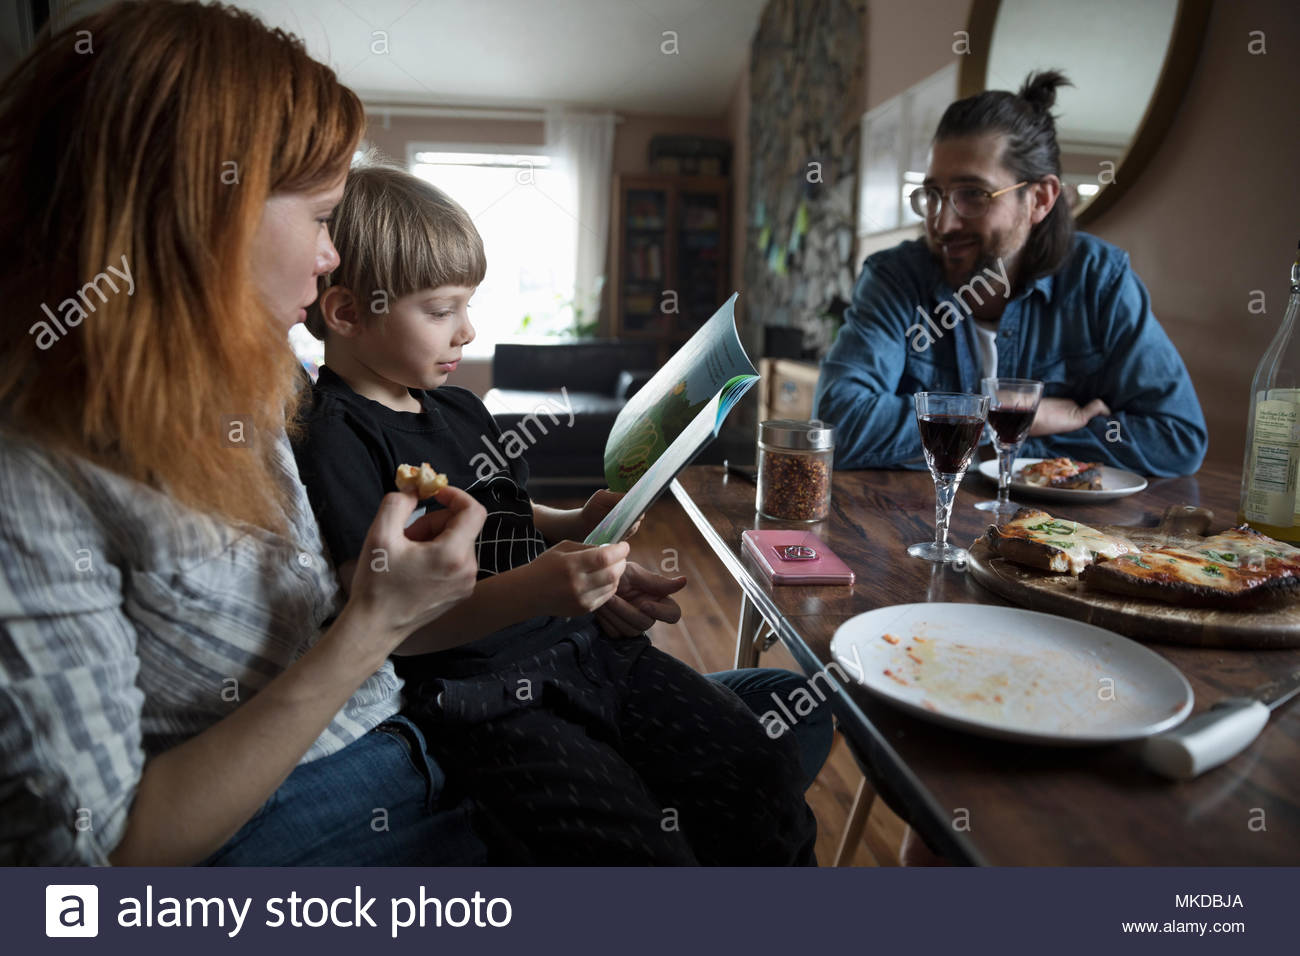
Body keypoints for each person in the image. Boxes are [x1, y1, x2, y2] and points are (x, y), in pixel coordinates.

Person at [0, 0, 528, 866]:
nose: (331, 260)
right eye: (323, 217)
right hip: (301, 820)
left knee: (765, 717)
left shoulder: (259, 369)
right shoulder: (30, 483)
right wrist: (371, 626)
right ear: (206, 214)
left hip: (413, 730)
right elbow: (90, 873)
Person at [290, 161, 830, 865]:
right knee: (635, 852)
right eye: (441, 309)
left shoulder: (458, 406)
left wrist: (571, 524)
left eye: (468, 304)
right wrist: (537, 587)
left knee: (758, 771)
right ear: (348, 313)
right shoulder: (334, 434)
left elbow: (503, 507)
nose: (467, 330)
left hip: (593, 651)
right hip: (489, 698)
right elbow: (390, 625)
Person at [814, 70, 1208, 477]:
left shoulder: (1099, 279)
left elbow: (1176, 438)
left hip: (1057, 530)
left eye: (973, 195)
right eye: (933, 195)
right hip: (915, 529)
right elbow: (836, 427)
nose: (943, 223)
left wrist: (1001, 442)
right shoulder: (896, 277)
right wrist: (1011, 418)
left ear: (1040, 198)